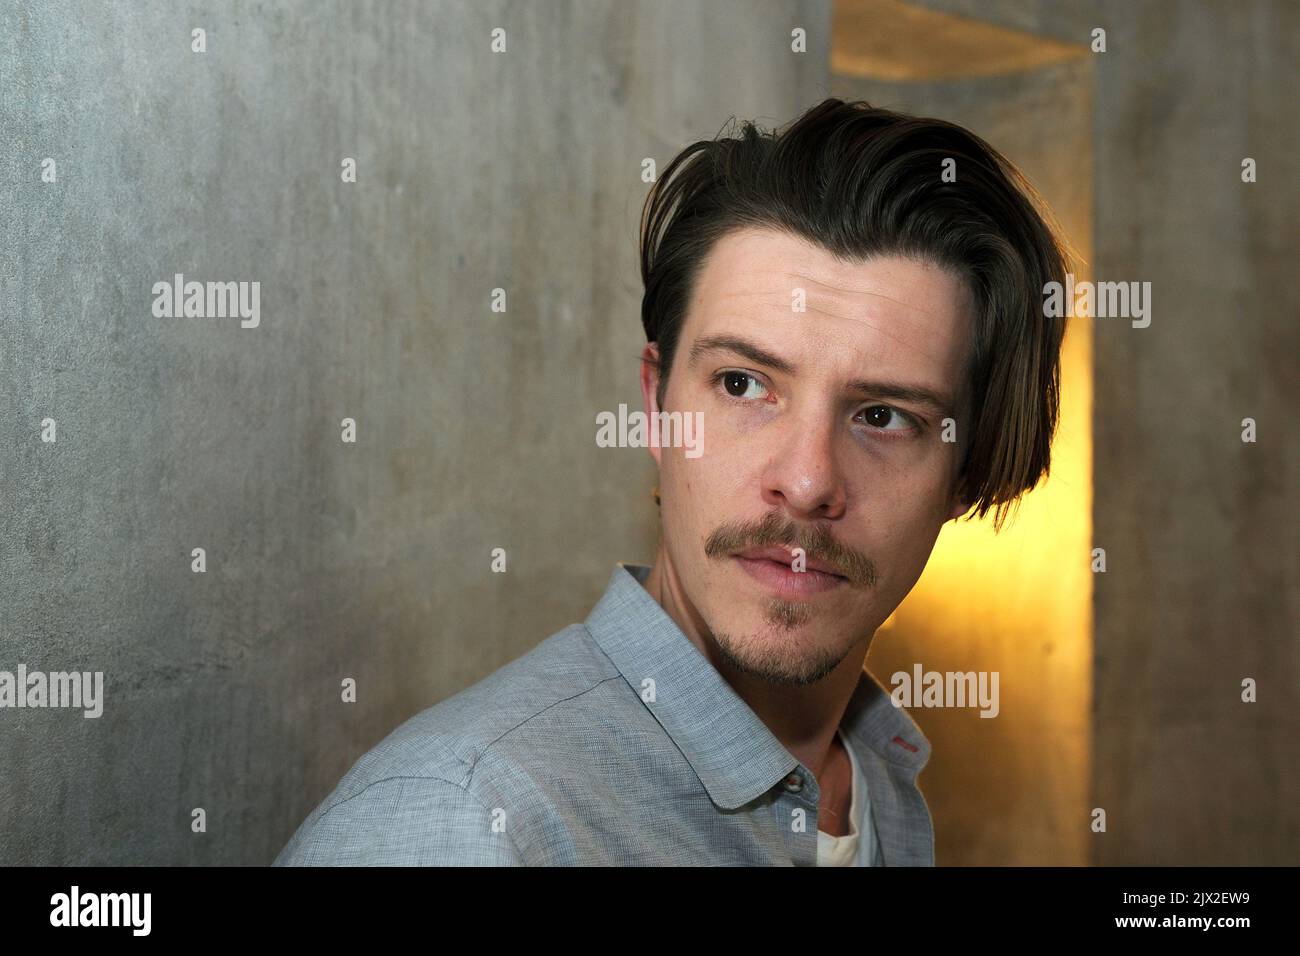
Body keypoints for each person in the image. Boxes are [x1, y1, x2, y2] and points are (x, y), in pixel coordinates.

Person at [274, 97, 1069, 866]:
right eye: (742, 385)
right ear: (656, 406)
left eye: (886, 416)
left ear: (966, 472)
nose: (806, 480)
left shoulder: (879, 781)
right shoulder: (465, 823)